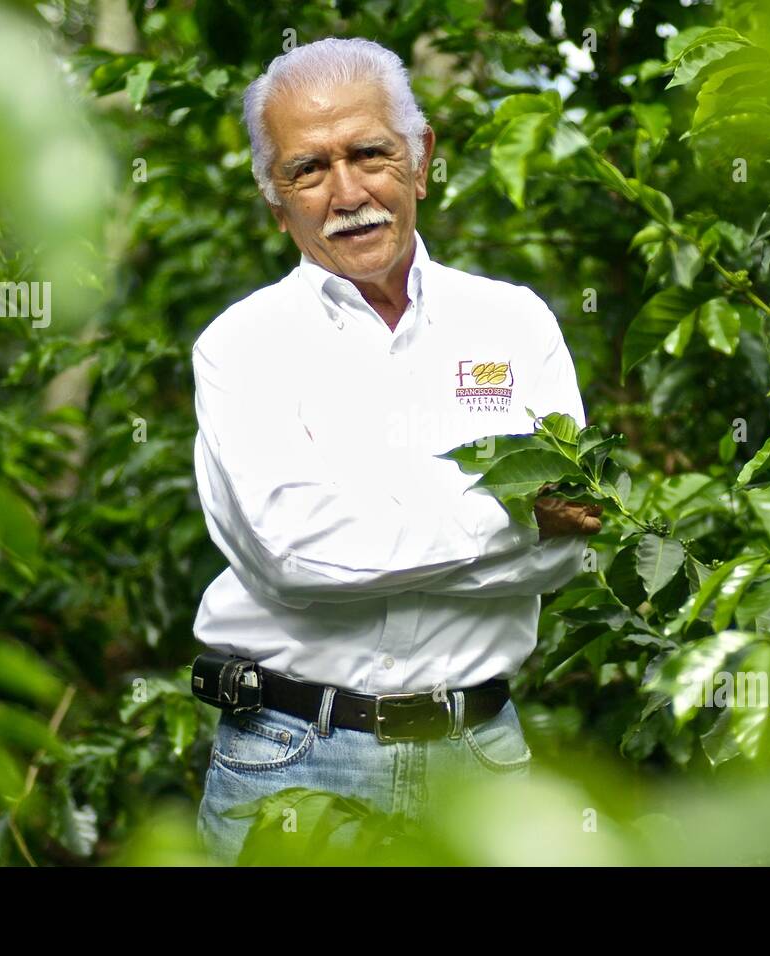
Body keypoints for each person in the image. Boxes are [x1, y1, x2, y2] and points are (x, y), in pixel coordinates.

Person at [191, 36, 602, 864]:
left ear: (419, 160)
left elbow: (571, 546)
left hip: (481, 757)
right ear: (277, 200)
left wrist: (393, 536)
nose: (348, 193)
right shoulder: (242, 346)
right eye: (308, 169)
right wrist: (513, 516)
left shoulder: (515, 325)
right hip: (292, 760)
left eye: (370, 154)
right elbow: (297, 554)